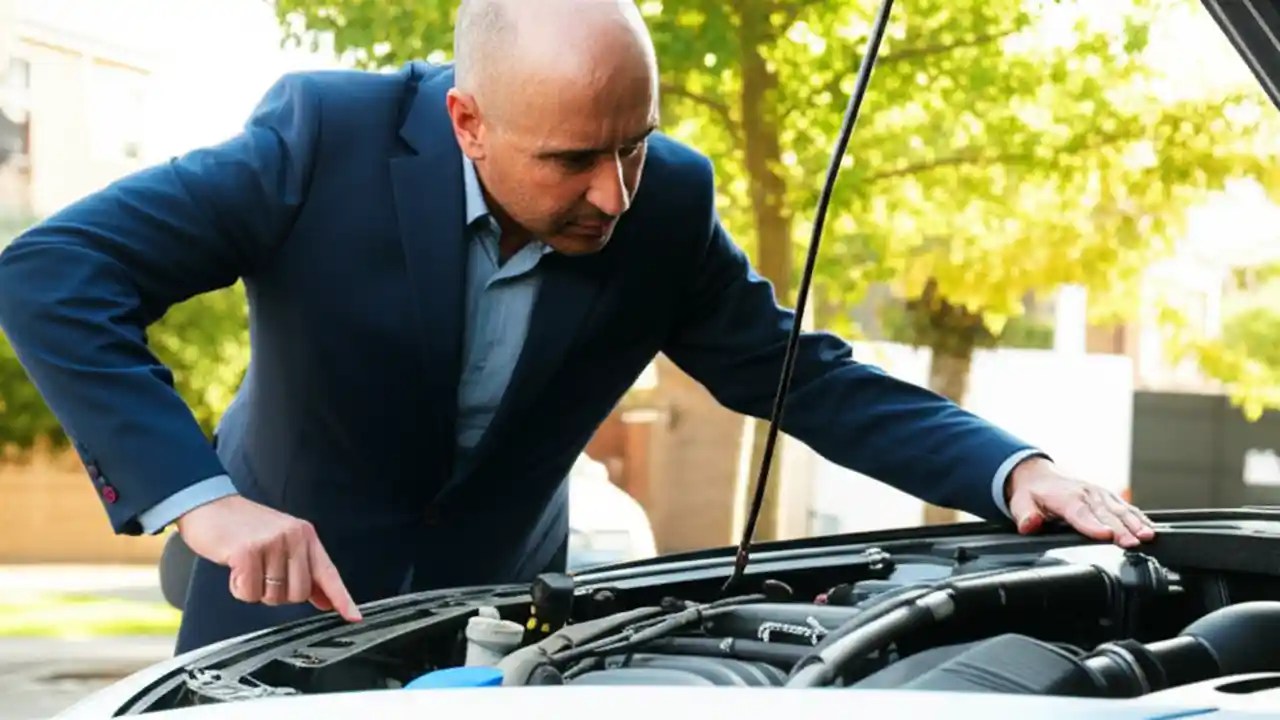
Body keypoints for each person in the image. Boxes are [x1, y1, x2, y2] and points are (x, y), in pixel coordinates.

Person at [0, 0, 1155, 654]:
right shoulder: (319, 141)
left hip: (507, 628)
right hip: (271, 627)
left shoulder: (668, 204)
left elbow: (802, 374)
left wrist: (1010, 467)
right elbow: (52, 271)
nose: (614, 193)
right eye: (569, 159)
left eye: (632, 144)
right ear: (465, 121)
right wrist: (206, 504)